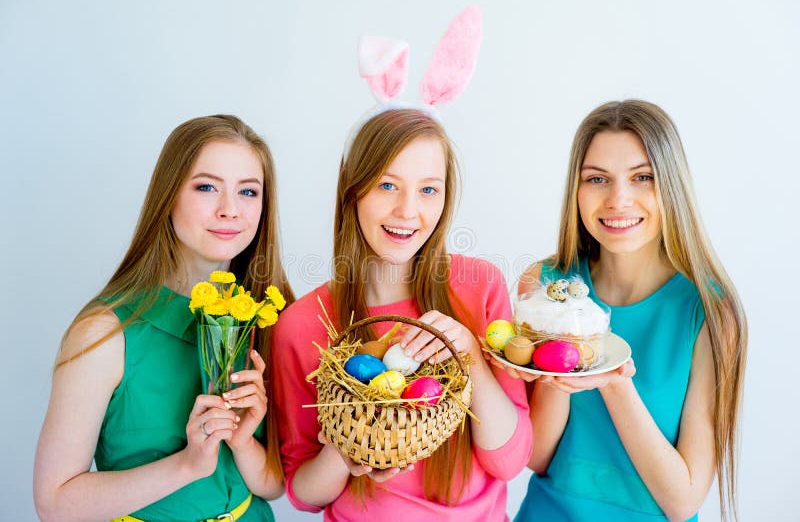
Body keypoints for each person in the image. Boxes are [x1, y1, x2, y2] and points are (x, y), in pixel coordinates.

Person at [271, 108, 532, 521]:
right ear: (353, 191)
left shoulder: (480, 286)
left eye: (428, 190)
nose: (408, 211)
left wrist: (470, 356)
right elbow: (303, 493)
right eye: (387, 185)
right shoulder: (303, 324)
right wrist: (346, 443)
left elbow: (509, 462)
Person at [33, 114, 294, 521]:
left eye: (248, 191)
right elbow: (55, 504)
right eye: (207, 187)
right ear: (168, 195)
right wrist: (187, 465)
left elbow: (277, 485)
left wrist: (243, 442)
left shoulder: (268, 320)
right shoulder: (104, 333)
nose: (230, 210)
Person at [506, 100, 747, 521]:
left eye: (642, 178)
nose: (618, 200)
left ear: (671, 185)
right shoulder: (543, 283)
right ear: (576, 190)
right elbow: (537, 458)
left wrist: (615, 382)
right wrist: (559, 363)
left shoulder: (709, 311)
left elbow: (683, 500)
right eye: (597, 179)